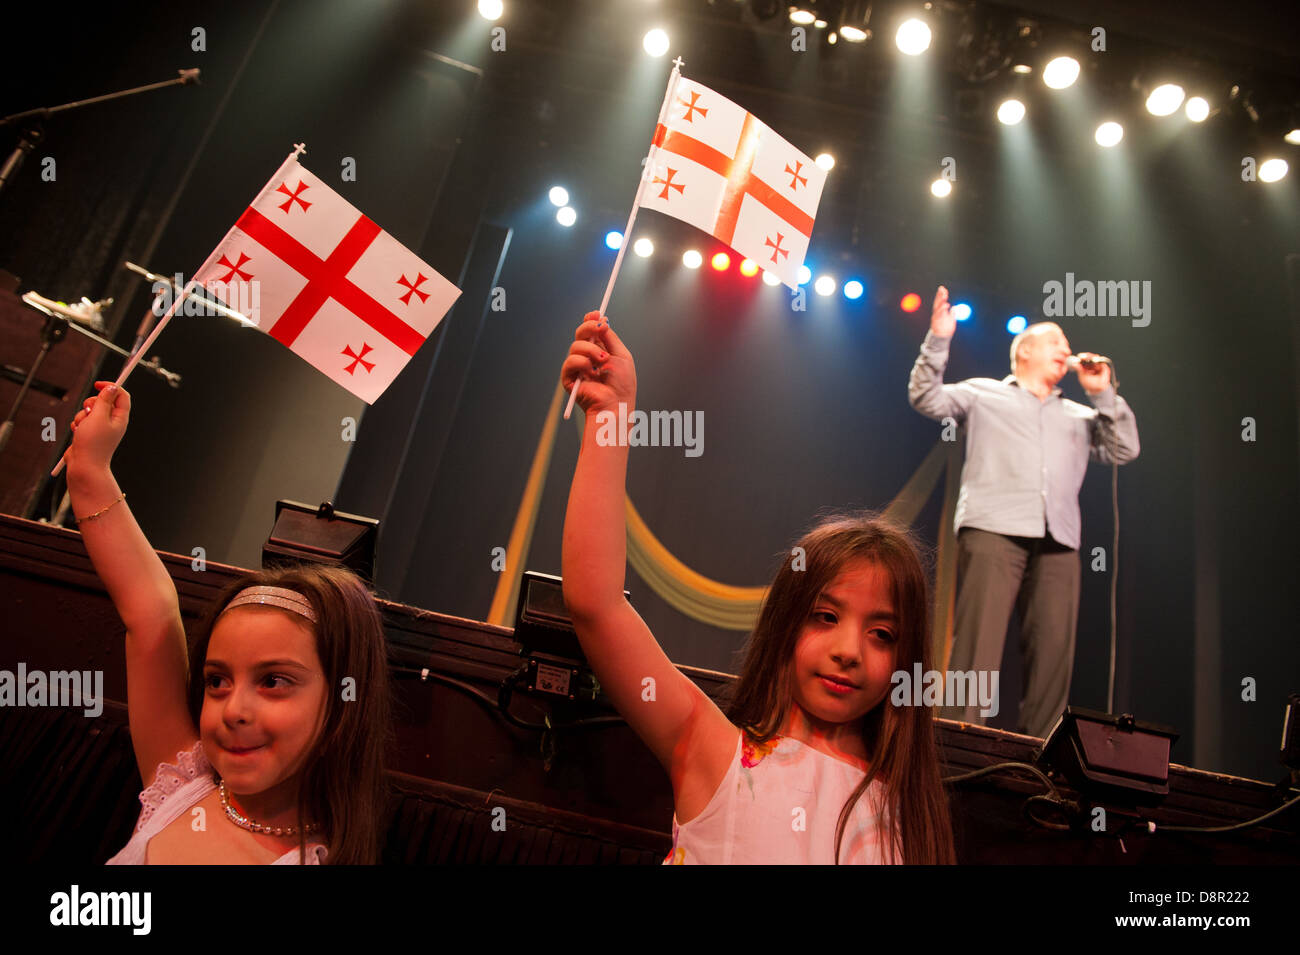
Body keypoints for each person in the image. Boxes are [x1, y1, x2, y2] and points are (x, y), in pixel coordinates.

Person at [560, 314, 954, 864]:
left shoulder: (911, 820)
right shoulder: (710, 748)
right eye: (824, 616)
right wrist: (610, 416)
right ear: (785, 624)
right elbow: (596, 605)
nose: (848, 650)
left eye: (883, 633)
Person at [65, 382, 391, 864]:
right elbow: (151, 611)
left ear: (344, 701)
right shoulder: (182, 788)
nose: (234, 709)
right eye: (217, 681)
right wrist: (88, 466)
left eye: (274, 681)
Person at [908, 286, 1140, 738]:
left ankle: (1040, 762)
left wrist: (1103, 394)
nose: (1068, 351)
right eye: (1058, 342)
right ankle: (956, 748)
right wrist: (938, 339)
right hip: (993, 529)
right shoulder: (984, 393)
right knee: (976, 648)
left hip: (1059, 542)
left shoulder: (1078, 415)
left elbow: (1125, 449)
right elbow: (925, 398)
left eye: (1068, 347)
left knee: (1053, 655)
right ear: (1026, 350)